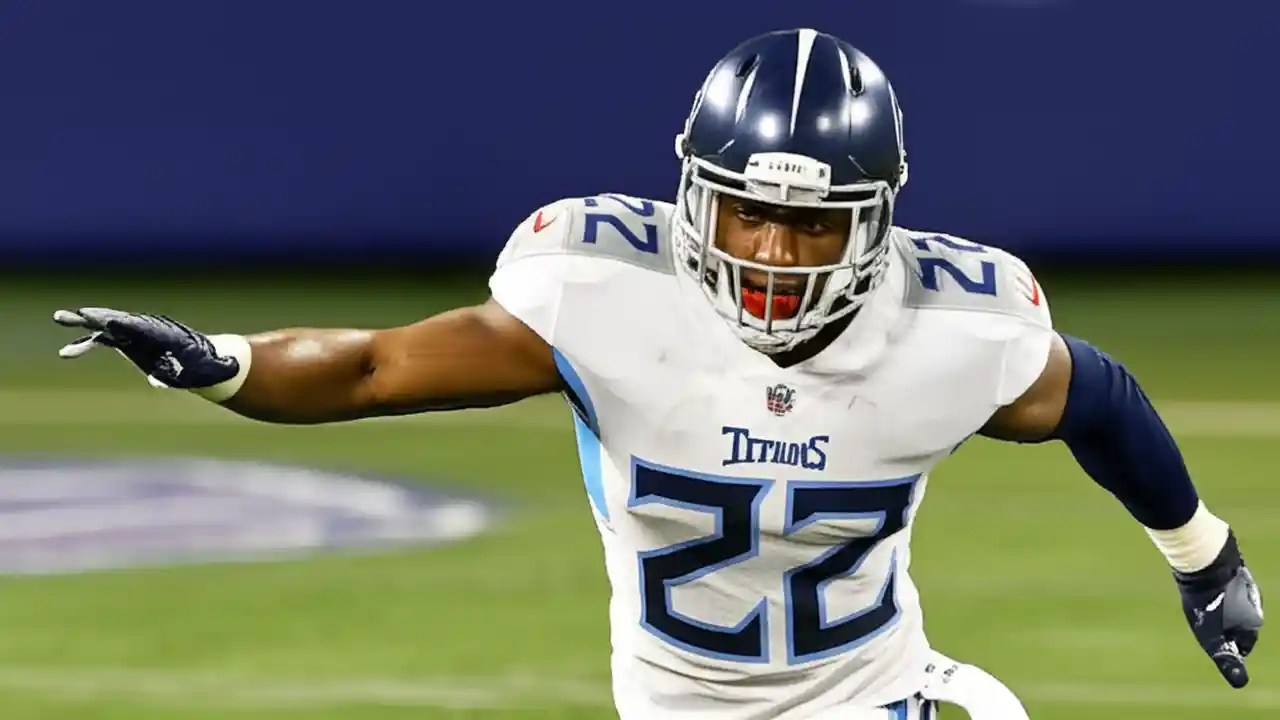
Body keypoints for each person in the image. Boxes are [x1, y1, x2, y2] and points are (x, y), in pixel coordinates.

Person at [53, 27, 1262, 720]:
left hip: (865, 703)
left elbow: (1093, 396)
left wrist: (1201, 556)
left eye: (813, 224)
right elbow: (374, 369)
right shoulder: (598, 293)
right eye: (744, 215)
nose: (775, 254)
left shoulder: (955, 327)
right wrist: (221, 366)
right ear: (691, 199)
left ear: (877, 223)